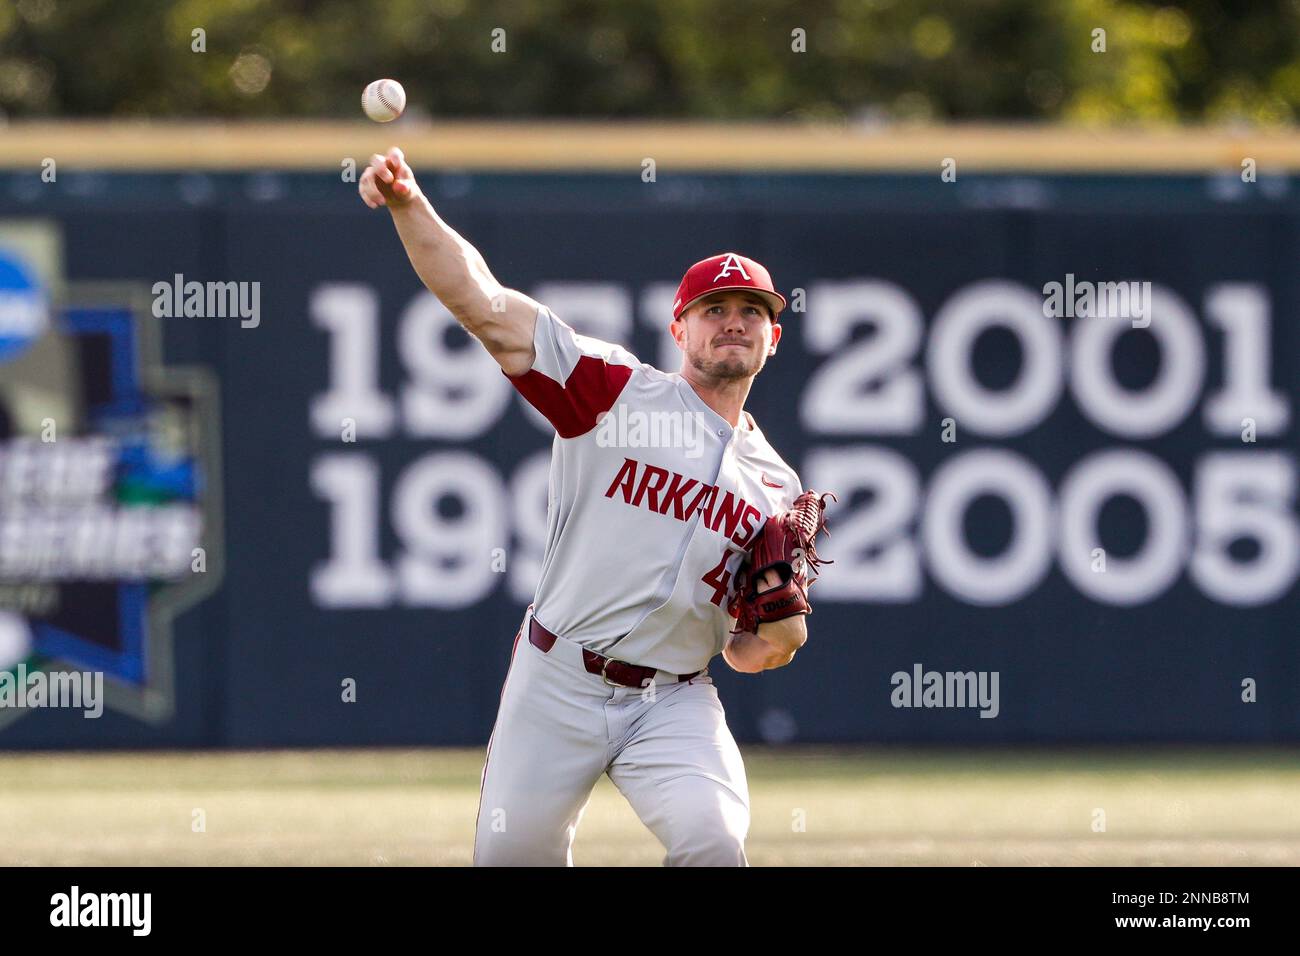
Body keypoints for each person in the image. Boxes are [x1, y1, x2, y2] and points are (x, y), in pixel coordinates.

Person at [360, 147, 831, 866]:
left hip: (672, 699)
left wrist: (783, 639)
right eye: (713, 310)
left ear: (774, 337)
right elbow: (482, 303)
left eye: (750, 312)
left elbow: (745, 652)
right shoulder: (614, 394)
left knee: (713, 840)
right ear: (679, 329)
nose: (732, 322)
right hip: (557, 680)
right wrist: (407, 203)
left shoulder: (776, 485)